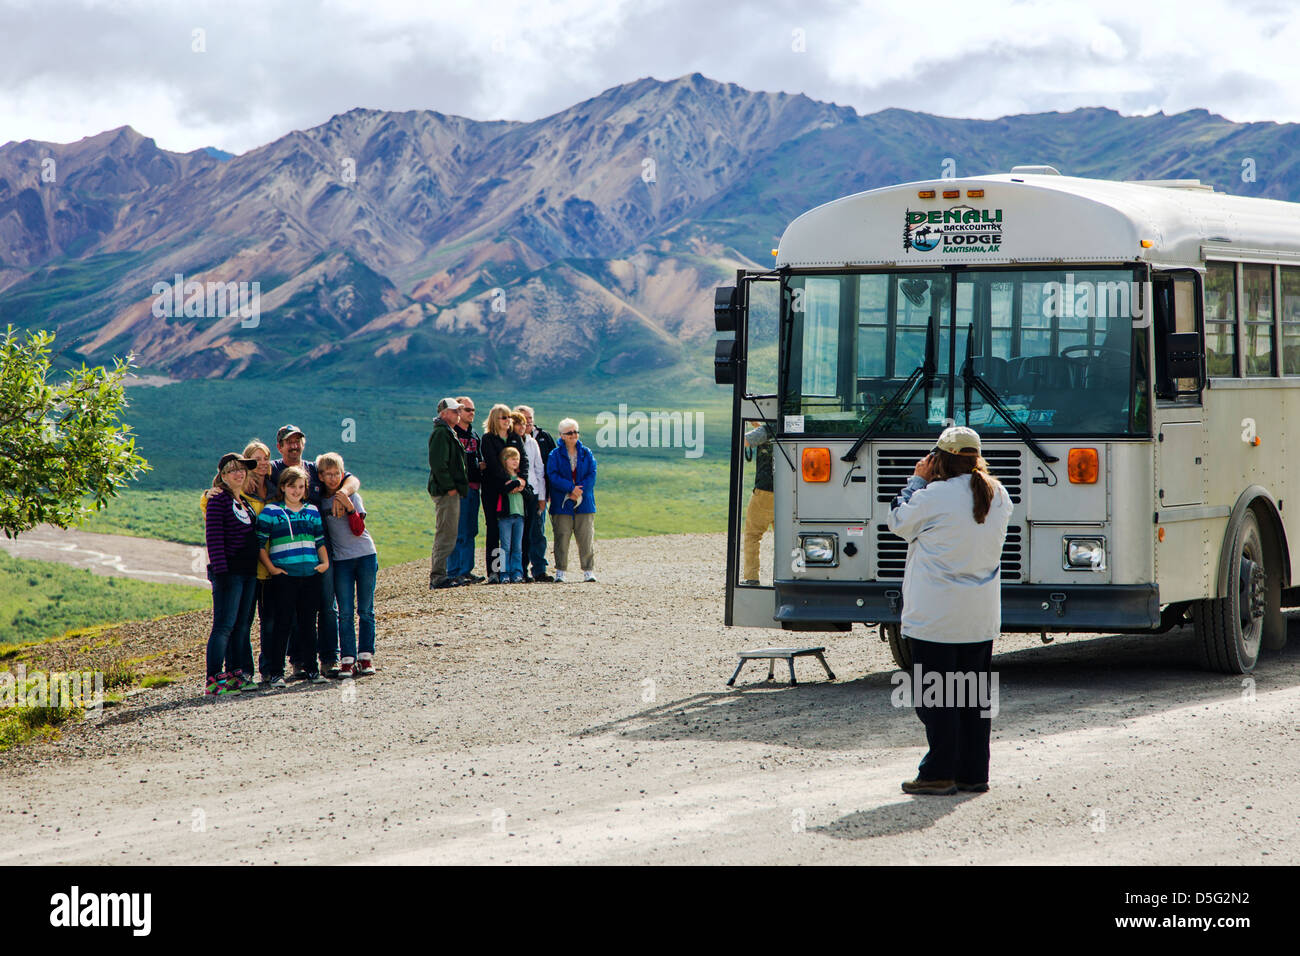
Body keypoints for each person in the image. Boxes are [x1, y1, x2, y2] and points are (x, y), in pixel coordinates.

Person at [886, 425, 1011, 796]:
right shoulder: (998, 494)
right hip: (980, 616)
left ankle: (939, 772)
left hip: (936, 618)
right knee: (973, 698)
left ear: (939, 458)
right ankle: (973, 773)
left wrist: (915, 480)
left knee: (937, 699)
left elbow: (897, 520)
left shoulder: (933, 495)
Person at [269, 424, 358, 677]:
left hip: (321, 548)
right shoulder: (273, 470)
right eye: (289, 442)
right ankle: (298, 660)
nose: (294, 445)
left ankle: (328, 657)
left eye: (298, 440)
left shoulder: (313, 470)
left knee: (327, 606)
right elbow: (248, 476)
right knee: (297, 608)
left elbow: (350, 477)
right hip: (287, 551)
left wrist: (343, 492)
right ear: (280, 446)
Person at [200, 440, 273, 686]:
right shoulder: (218, 500)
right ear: (222, 475)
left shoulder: (243, 503)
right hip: (228, 574)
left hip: (248, 573)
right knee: (223, 627)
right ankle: (213, 679)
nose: (239, 473)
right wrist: (222, 573)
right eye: (233, 470)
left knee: (242, 626)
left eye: (242, 469)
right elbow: (214, 539)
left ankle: (236, 675)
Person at [257, 466, 329, 686]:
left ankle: (312, 671)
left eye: (300, 486)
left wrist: (325, 563)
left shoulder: (313, 511)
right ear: (283, 487)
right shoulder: (271, 511)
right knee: (283, 623)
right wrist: (271, 568)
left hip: (310, 574)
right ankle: (277, 673)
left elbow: (319, 540)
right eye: (292, 486)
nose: (296, 491)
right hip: (284, 576)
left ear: (305, 488)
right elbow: (259, 544)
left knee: (308, 624)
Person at [317, 452, 378, 677]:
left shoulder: (353, 496)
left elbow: (358, 529)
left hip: (364, 556)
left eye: (337, 474)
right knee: (345, 612)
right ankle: (347, 659)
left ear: (342, 475)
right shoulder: (320, 501)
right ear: (321, 477)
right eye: (328, 474)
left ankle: (365, 657)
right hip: (341, 561)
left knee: (365, 610)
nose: (333, 478)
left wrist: (349, 506)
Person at [480, 403, 529, 583]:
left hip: (516, 491)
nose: (508, 421)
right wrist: (508, 482)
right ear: (495, 419)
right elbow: (493, 465)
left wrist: (521, 480)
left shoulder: (515, 437)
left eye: (509, 417)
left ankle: (517, 570)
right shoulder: (487, 439)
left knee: (517, 533)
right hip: (494, 491)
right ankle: (495, 571)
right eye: (504, 417)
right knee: (494, 531)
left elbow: (523, 459)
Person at [546, 417, 597, 582]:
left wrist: (579, 491)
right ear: (562, 435)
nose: (573, 435)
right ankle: (560, 571)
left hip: (585, 502)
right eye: (569, 433)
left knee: (586, 537)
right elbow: (552, 475)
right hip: (562, 502)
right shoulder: (554, 454)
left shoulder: (586, 452)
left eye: (576, 431)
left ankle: (588, 571)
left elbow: (592, 473)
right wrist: (570, 488)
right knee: (562, 537)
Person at [427, 398, 468, 589]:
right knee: (446, 532)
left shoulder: (447, 432)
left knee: (449, 532)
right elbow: (438, 464)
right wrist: (450, 486)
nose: (458, 413)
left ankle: (442, 574)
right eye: (454, 411)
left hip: (449, 491)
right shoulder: (441, 434)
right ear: (444, 413)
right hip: (445, 492)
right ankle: (438, 576)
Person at [449, 396, 485, 585]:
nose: (472, 413)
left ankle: (466, 570)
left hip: (474, 488)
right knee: (458, 531)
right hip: (458, 490)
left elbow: (478, 459)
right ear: (458, 411)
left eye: (473, 410)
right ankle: (454, 571)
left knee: (471, 530)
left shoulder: (474, 435)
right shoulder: (451, 434)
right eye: (468, 410)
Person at [517, 405, 555, 582]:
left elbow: (547, 468)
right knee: (517, 532)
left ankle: (539, 570)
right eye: (524, 418)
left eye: (530, 418)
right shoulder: (510, 439)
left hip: (539, 493)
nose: (528, 421)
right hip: (516, 493)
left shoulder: (543, 438)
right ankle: (518, 570)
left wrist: (545, 495)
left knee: (538, 532)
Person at [510, 411, 544, 583]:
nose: (522, 426)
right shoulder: (508, 442)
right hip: (513, 491)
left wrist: (542, 497)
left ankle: (524, 570)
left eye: (525, 423)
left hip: (531, 491)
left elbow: (539, 470)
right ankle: (511, 570)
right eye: (518, 423)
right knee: (513, 532)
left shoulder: (532, 442)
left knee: (530, 532)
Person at [740, 421, 774, 585]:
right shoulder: (790, 425)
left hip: (765, 492)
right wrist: (758, 425)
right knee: (788, 538)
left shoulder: (768, 429)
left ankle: (751, 578)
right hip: (790, 492)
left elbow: (746, 441)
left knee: (753, 535)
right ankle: (794, 574)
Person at [494, 446, 528, 583]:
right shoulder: (502, 477)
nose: (516, 462)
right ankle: (504, 573)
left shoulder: (522, 478)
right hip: (505, 517)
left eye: (518, 459)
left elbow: (529, 494)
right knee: (505, 547)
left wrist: (520, 484)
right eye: (512, 459)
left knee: (517, 547)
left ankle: (517, 573)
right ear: (505, 460)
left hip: (519, 515)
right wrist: (516, 483)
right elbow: (503, 489)